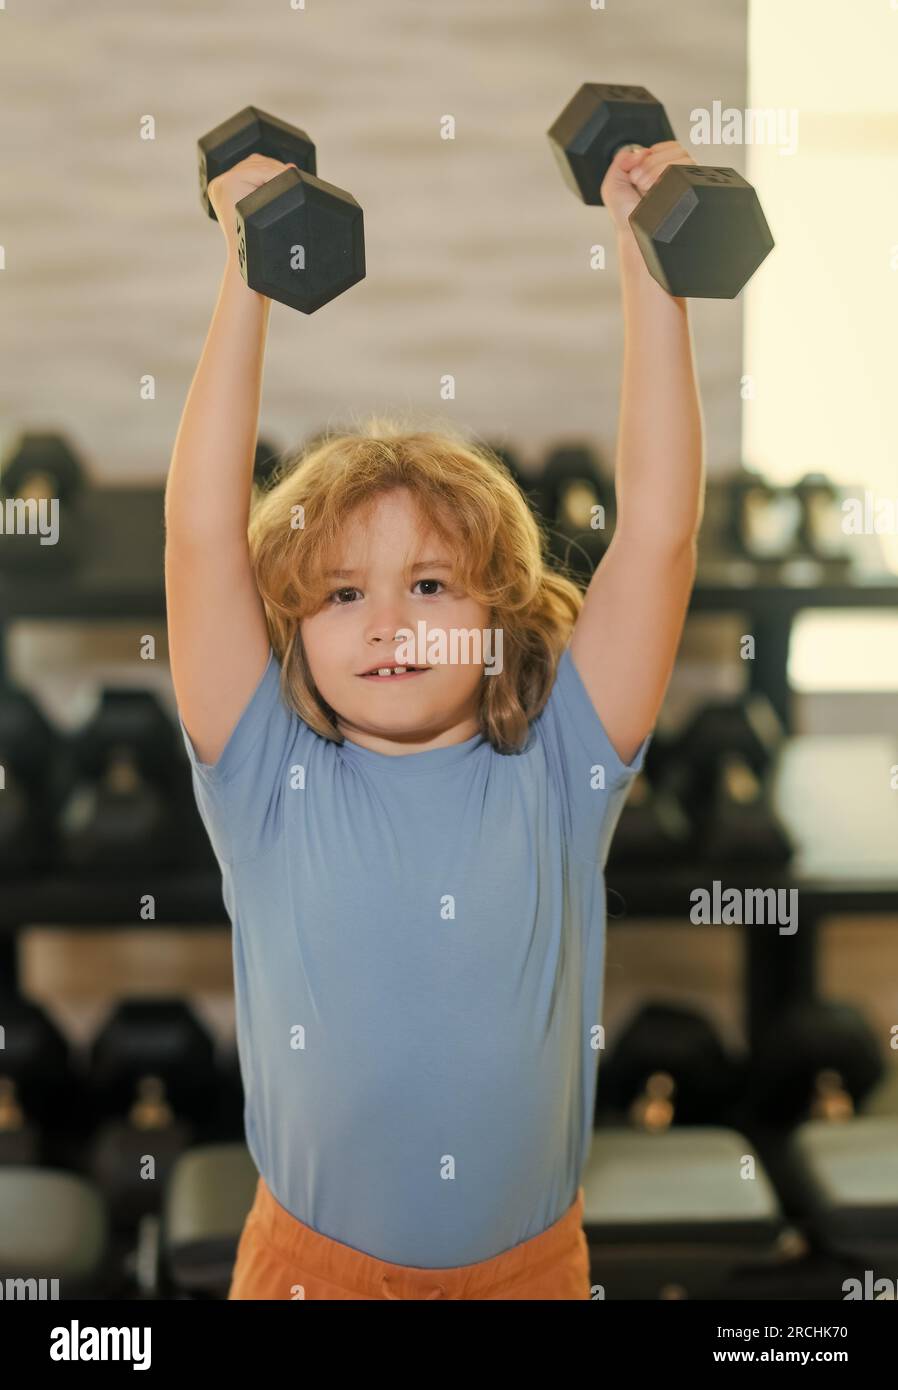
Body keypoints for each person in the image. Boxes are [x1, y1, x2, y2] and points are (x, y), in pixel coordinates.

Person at [164, 140, 705, 1300]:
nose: (387, 625)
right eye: (343, 594)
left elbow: (656, 532)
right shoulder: (265, 778)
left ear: (498, 615)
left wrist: (650, 266)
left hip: (531, 1274)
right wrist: (249, 270)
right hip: (312, 1272)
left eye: (430, 585)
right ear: (294, 627)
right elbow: (202, 536)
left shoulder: (562, 768)